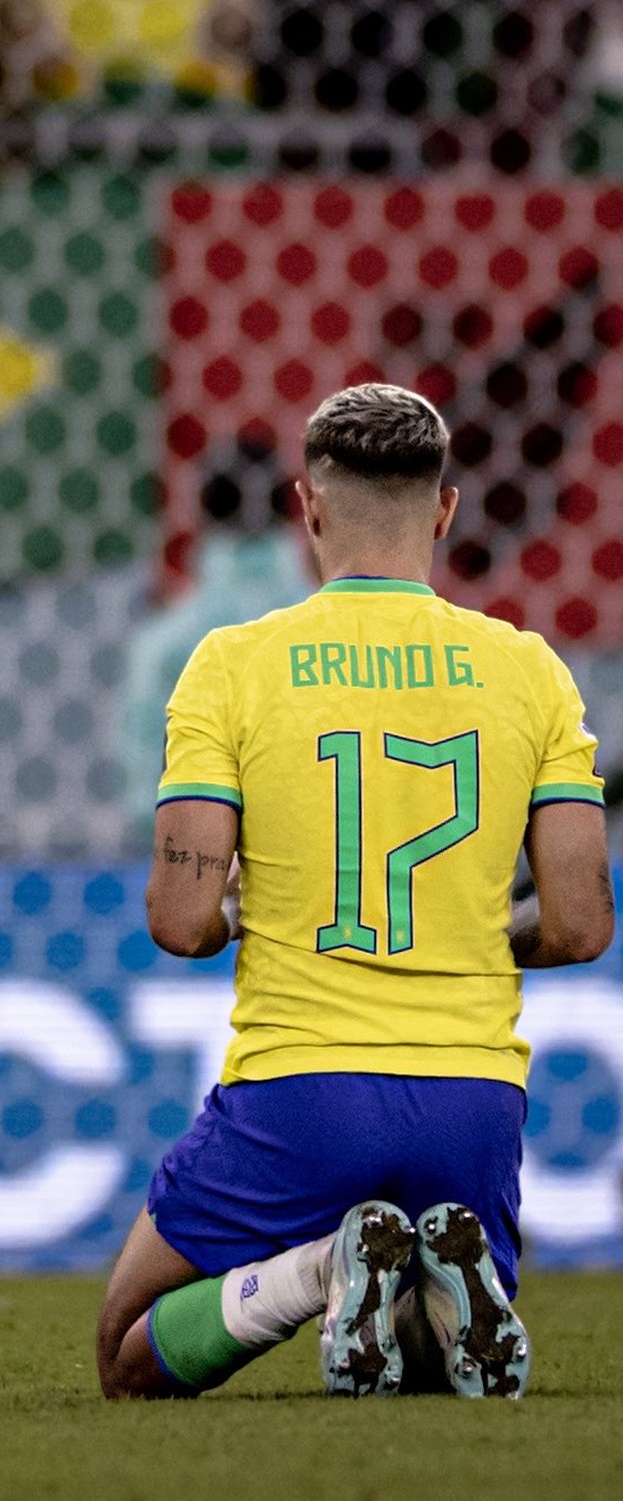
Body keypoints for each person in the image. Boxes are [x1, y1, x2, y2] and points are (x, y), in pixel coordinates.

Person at [97, 383, 614, 1401]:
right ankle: (424, 1289)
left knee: (126, 1351)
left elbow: (179, 919)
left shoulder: (230, 665)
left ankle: (322, 1270)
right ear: (446, 509)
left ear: (311, 508)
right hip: (473, 1104)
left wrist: (257, 909)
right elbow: (582, 923)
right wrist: (474, 932)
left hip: (300, 1095)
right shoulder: (531, 670)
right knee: (437, 1341)